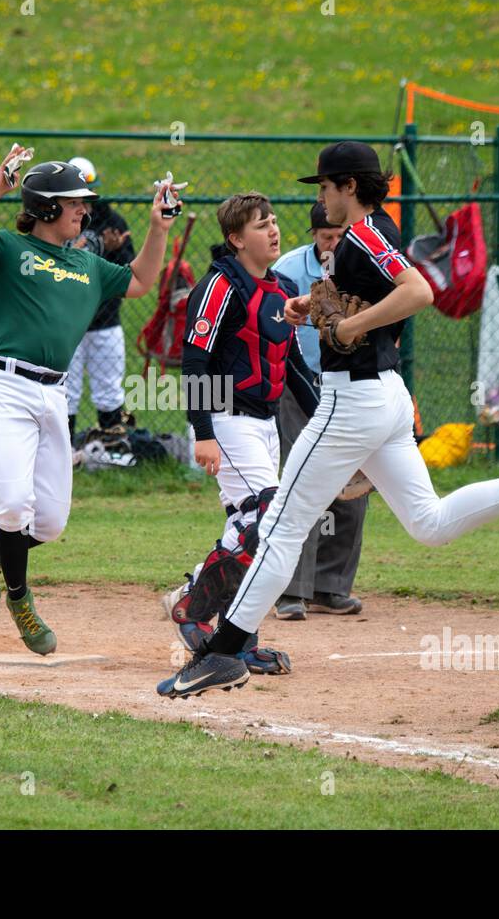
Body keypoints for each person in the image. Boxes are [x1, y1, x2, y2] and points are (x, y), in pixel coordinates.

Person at [157, 141, 499, 699]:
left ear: (350, 188)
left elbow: (419, 292)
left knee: (279, 528)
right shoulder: (379, 228)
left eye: (325, 187)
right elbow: (373, 295)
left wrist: (342, 331)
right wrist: (314, 311)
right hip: (385, 396)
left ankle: (221, 656)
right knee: (428, 523)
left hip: (352, 399)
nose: (320, 198)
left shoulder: (361, 233)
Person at [0, 147, 178, 655]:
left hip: (52, 394)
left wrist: (158, 227)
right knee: (15, 503)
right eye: (73, 203)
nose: (84, 211)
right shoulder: (7, 250)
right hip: (0, 388)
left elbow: (139, 281)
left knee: (49, 522)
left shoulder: (88, 265)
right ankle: (21, 600)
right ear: (46, 208)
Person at [159, 193, 317, 676]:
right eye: (259, 225)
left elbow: (291, 365)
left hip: (265, 424)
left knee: (254, 529)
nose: (273, 231)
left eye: (273, 222)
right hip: (226, 420)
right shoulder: (221, 284)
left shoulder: (284, 288)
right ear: (235, 238)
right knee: (266, 518)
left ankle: (238, 637)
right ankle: (192, 603)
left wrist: (321, 422)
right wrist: (202, 432)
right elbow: (194, 360)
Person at [271, 202, 365, 620]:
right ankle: (291, 589)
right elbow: (278, 330)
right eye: (327, 236)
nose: (335, 243)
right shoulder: (290, 270)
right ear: (313, 235)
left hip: (347, 384)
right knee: (300, 479)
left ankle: (330, 586)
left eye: (341, 235)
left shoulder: (362, 266)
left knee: (353, 480)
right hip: (297, 382)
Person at [63, 156, 134, 436]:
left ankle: (110, 445)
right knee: (66, 388)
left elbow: (130, 268)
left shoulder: (111, 219)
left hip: (105, 316)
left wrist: (114, 248)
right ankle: (64, 448)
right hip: (67, 320)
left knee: (109, 386)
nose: (84, 203)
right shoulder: (56, 220)